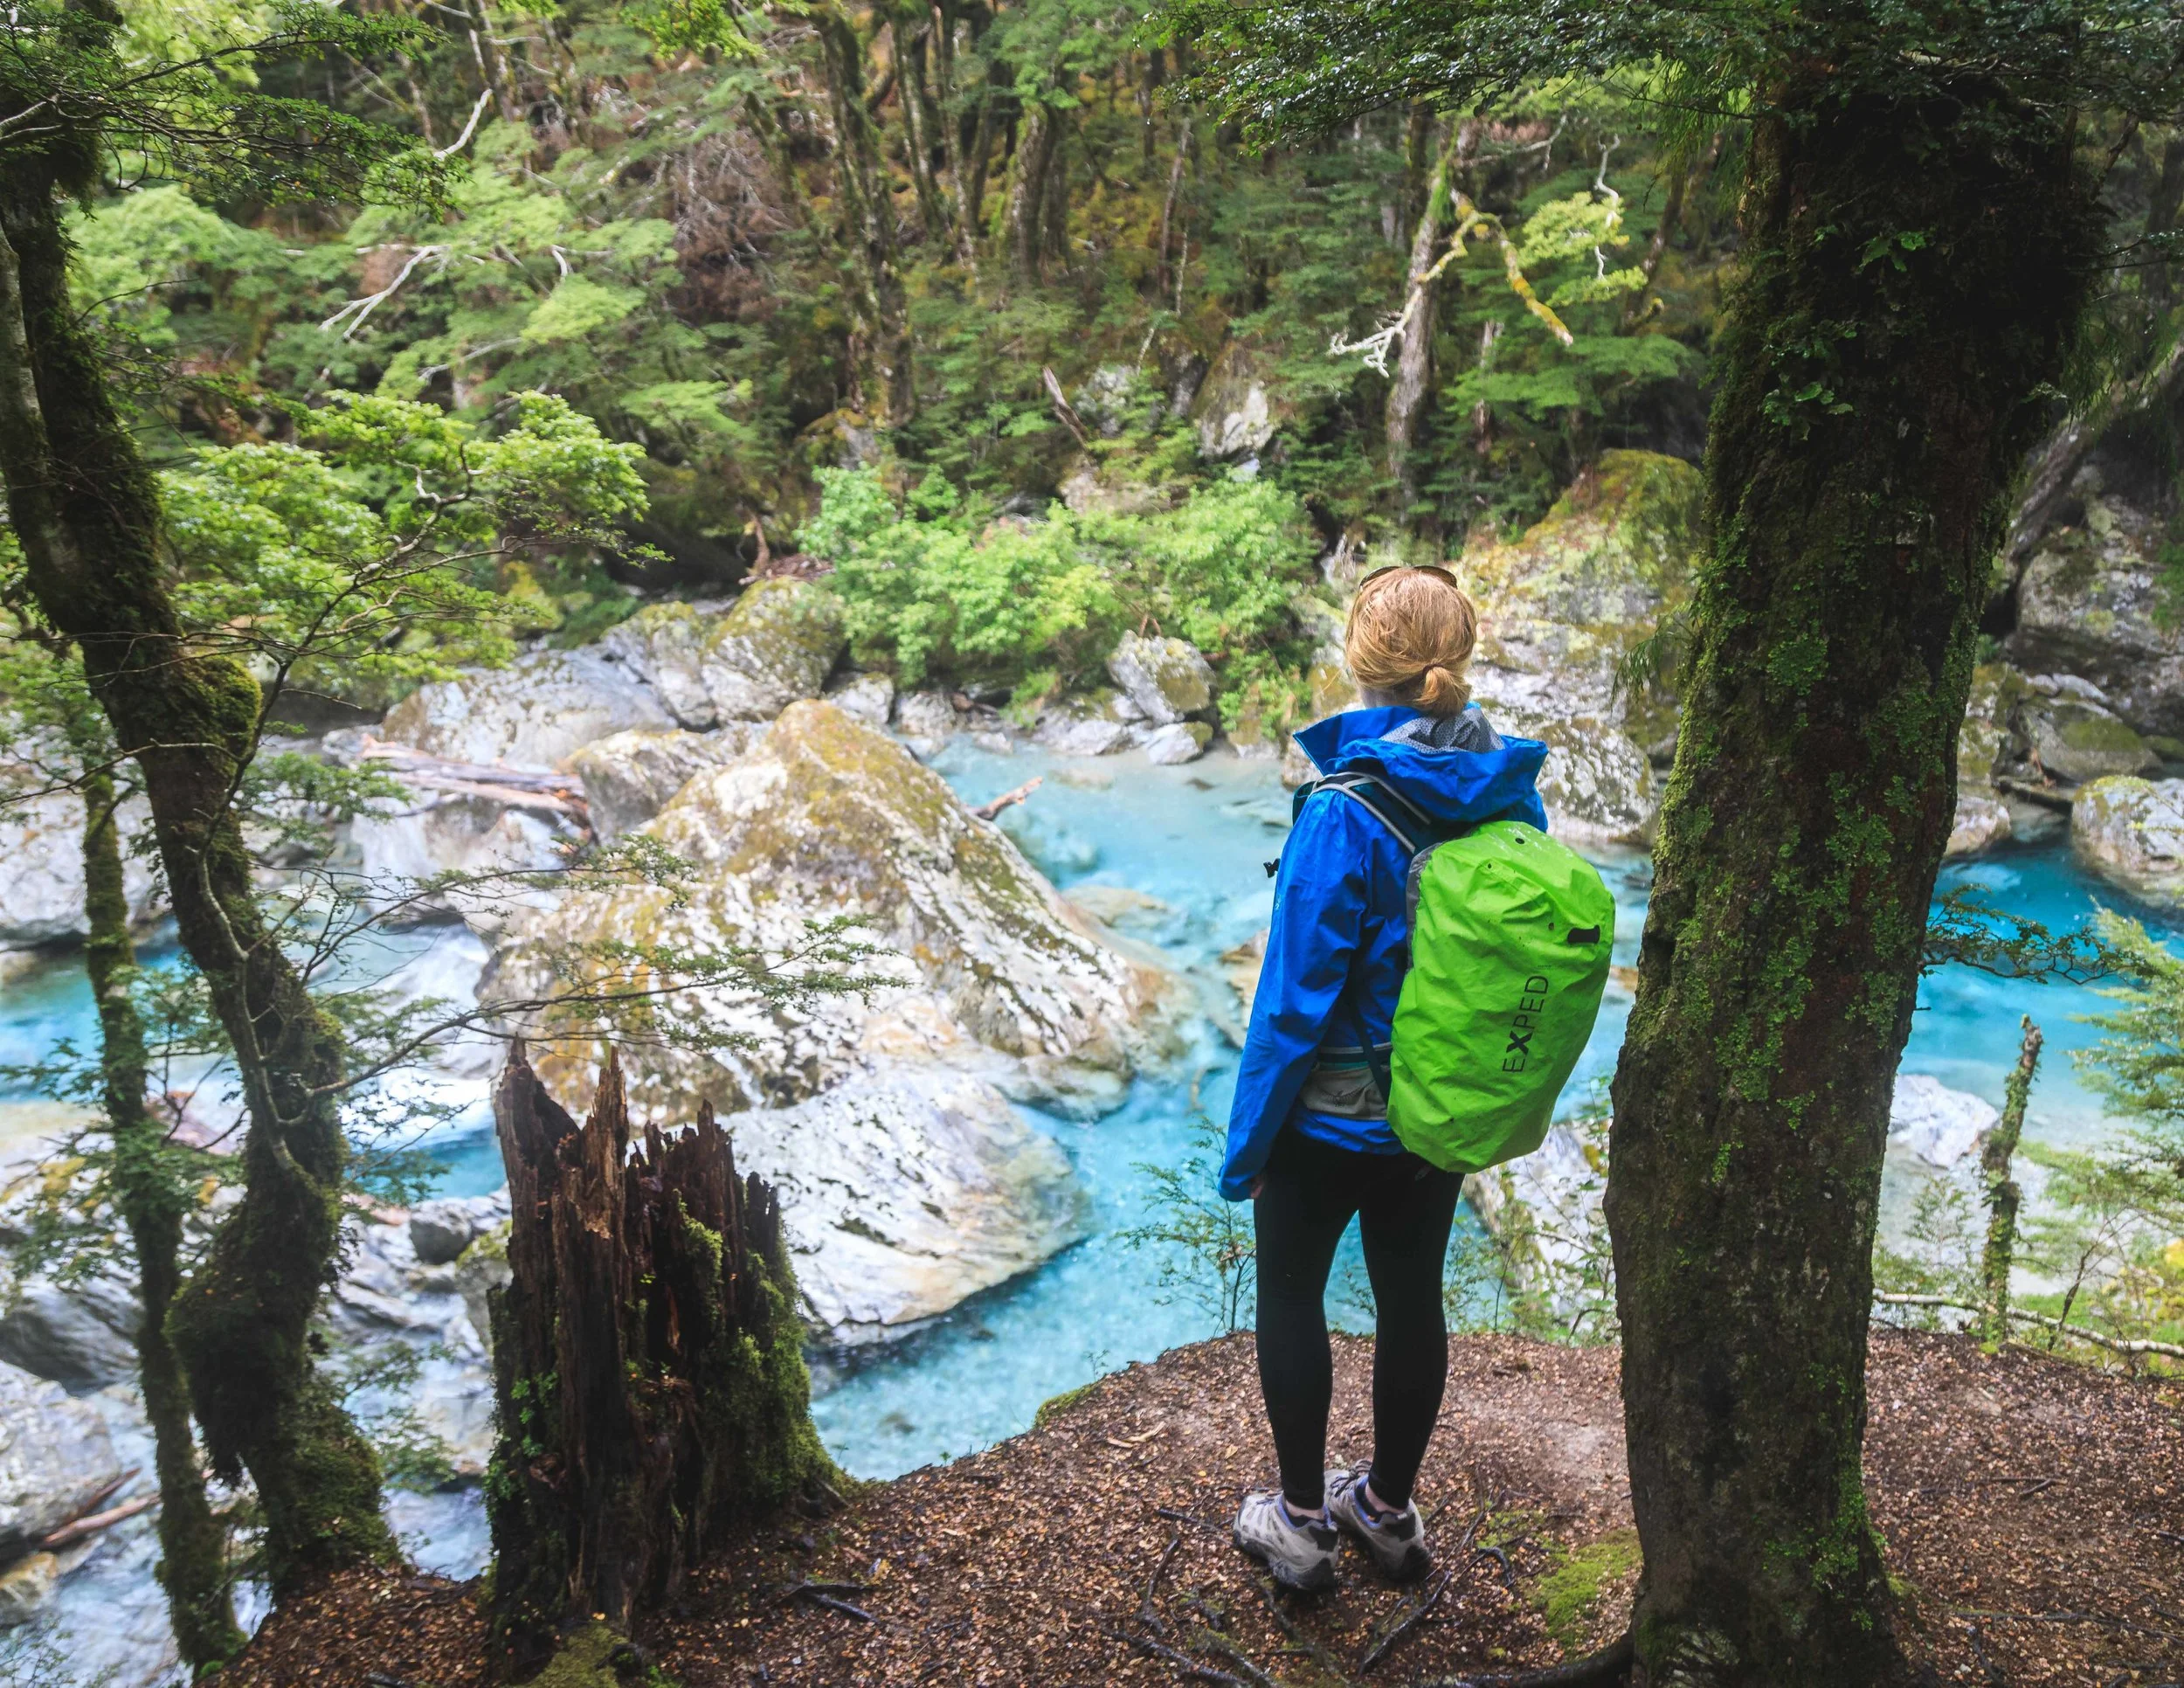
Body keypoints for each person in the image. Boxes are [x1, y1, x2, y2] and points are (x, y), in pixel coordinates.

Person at [1224, 564, 1548, 1592]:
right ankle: (1389, 1511)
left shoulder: (1343, 807)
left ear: (1357, 663)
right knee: (1412, 1300)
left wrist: (1249, 1147)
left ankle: (1300, 1524)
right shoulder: (1507, 787)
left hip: (1330, 1116)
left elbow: (1292, 1002)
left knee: (1291, 1296)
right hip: (1436, 1104)